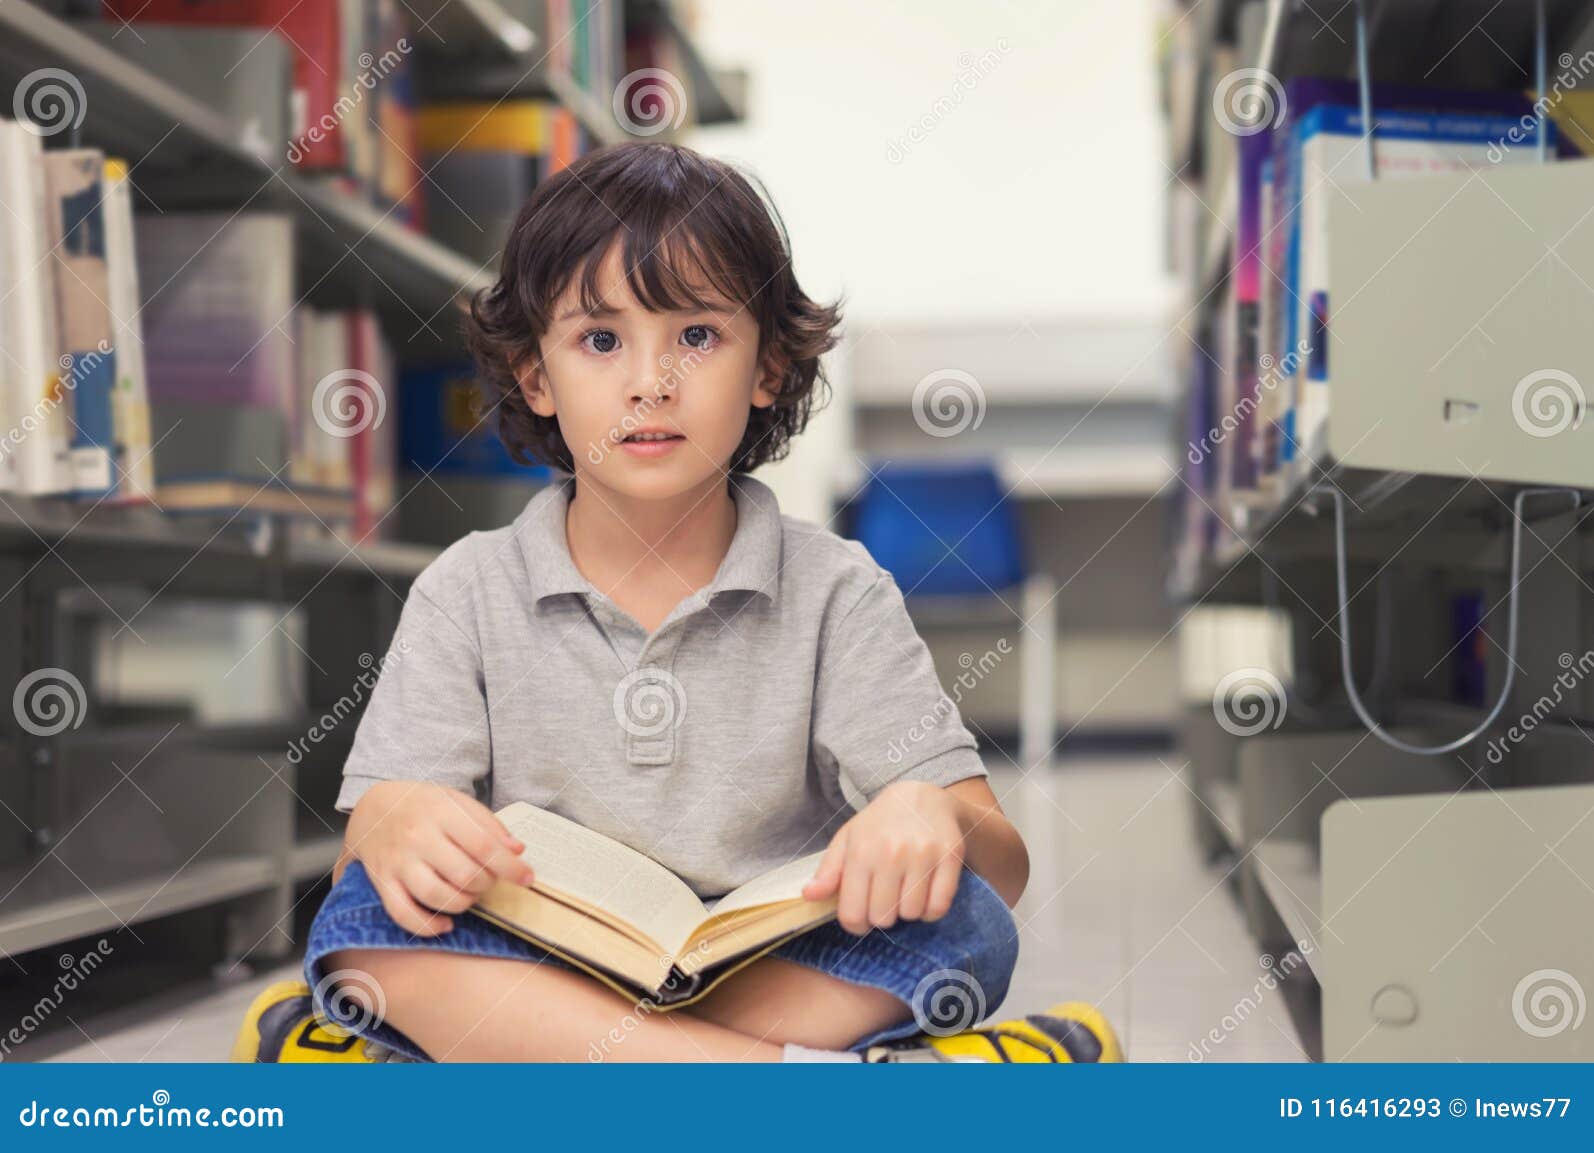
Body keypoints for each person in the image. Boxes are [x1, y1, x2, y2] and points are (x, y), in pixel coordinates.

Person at [233, 142, 1120, 1063]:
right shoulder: (465, 590)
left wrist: (928, 817)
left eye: (696, 335)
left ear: (768, 368)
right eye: (601, 339)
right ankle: (788, 1083)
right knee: (365, 916)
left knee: (964, 920)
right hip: (546, 963)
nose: (648, 382)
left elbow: (1003, 868)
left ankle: (563, 1076)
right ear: (536, 375)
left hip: (748, 969)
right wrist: (398, 822)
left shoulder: (839, 591)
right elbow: (364, 865)